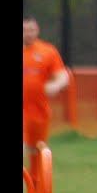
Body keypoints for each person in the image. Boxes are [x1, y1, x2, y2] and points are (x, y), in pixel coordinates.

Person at [22, 14, 70, 163]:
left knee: (37, 152)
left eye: (32, 29)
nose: (29, 33)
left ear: (38, 30)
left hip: (39, 111)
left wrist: (56, 85)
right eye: (25, 30)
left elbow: (63, 76)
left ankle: (36, 185)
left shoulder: (48, 51)